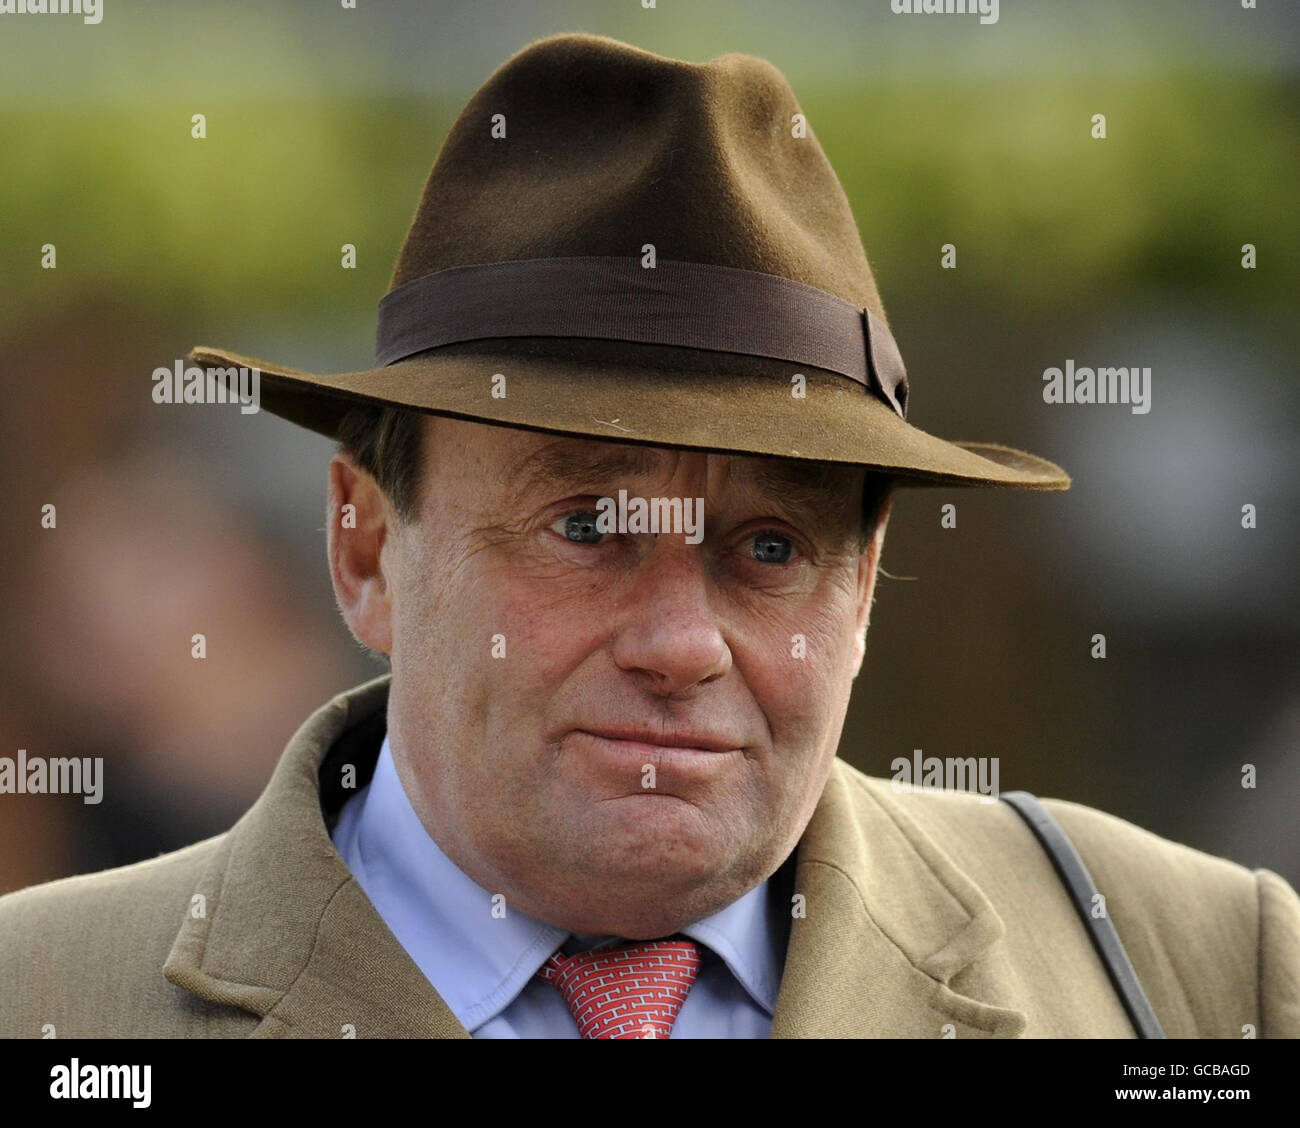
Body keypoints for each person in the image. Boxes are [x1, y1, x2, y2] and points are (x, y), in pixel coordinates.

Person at [1, 32, 1295, 1040]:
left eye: (771, 548)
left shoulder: (1198, 971)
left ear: (864, 592)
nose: (682, 645)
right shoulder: (44, 1003)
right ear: (365, 548)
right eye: (586, 525)